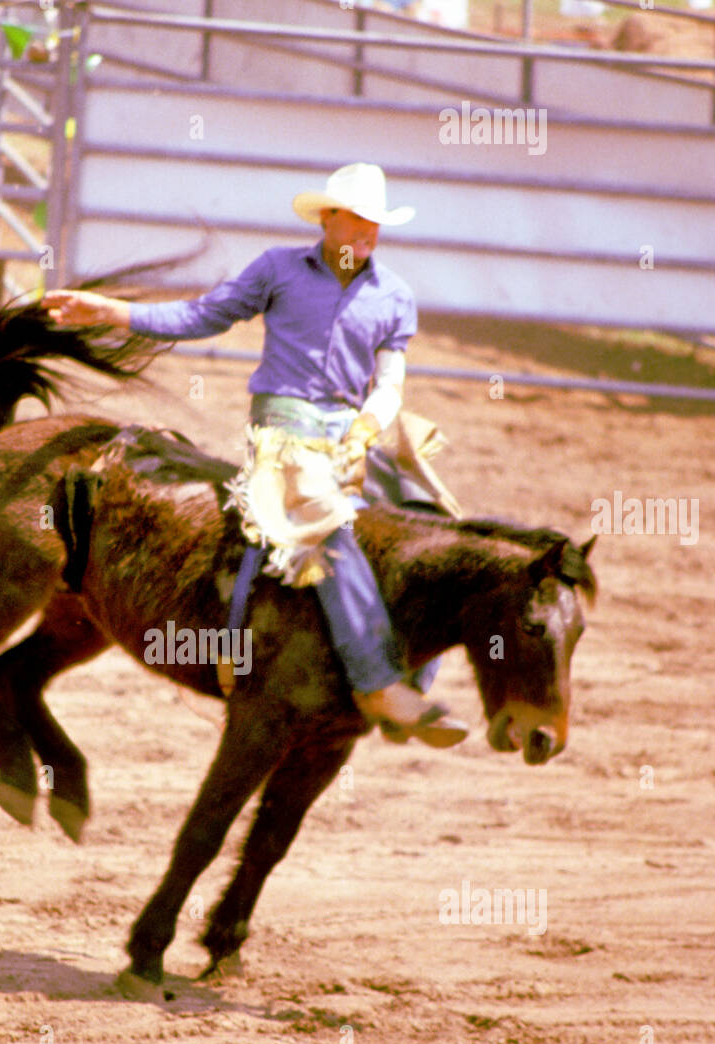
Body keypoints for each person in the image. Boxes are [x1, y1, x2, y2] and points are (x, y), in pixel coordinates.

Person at [43, 163, 467, 748]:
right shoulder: (278, 270)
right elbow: (199, 315)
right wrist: (112, 312)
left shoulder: (394, 296)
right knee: (325, 518)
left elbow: (390, 381)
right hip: (284, 425)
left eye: (376, 221)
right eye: (358, 219)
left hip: (354, 427)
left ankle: (417, 676)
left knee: (435, 522)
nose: (369, 231)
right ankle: (378, 684)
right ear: (328, 219)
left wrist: (370, 425)